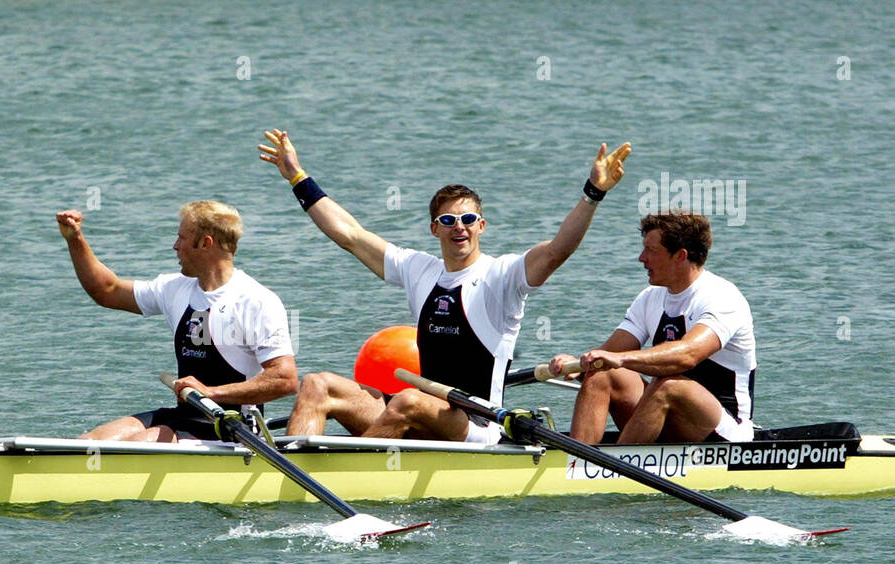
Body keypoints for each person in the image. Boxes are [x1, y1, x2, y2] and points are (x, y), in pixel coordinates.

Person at [257, 129, 630, 444]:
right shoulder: (418, 269)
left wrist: (593, 193)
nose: (459, 227)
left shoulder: (503, 275)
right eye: (448, 220)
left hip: (477, 422)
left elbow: (556, 252)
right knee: (318, 384)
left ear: (481, 226)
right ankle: (294, 476)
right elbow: (351, 235)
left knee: (406, 401)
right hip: (422, 410)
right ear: (435, 229)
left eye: (468, 218)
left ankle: (346, 473)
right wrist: (297, 177)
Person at [56, 201, 298, 442]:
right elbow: (106, 290)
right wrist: (75, 239)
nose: (175, 246)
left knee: (137, 445)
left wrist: (211, 392)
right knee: (88, 443)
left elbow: (285, 379)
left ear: (206, 243)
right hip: (185, 415)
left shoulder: (256, 301)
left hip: (231, 427)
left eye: (181, 238)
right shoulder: (174, 288)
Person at [546, 211, 756, 444]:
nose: (641, 258)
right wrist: (579, 364)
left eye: (651, 251)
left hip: (723, 431)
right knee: (601, 373)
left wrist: (622, 360)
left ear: (680, 256)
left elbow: (687, 355)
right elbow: (608, 354)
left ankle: (613, 474)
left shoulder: (721, 297)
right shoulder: (649, 298)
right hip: (664, 416)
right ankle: (577, 465)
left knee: (668, 384)